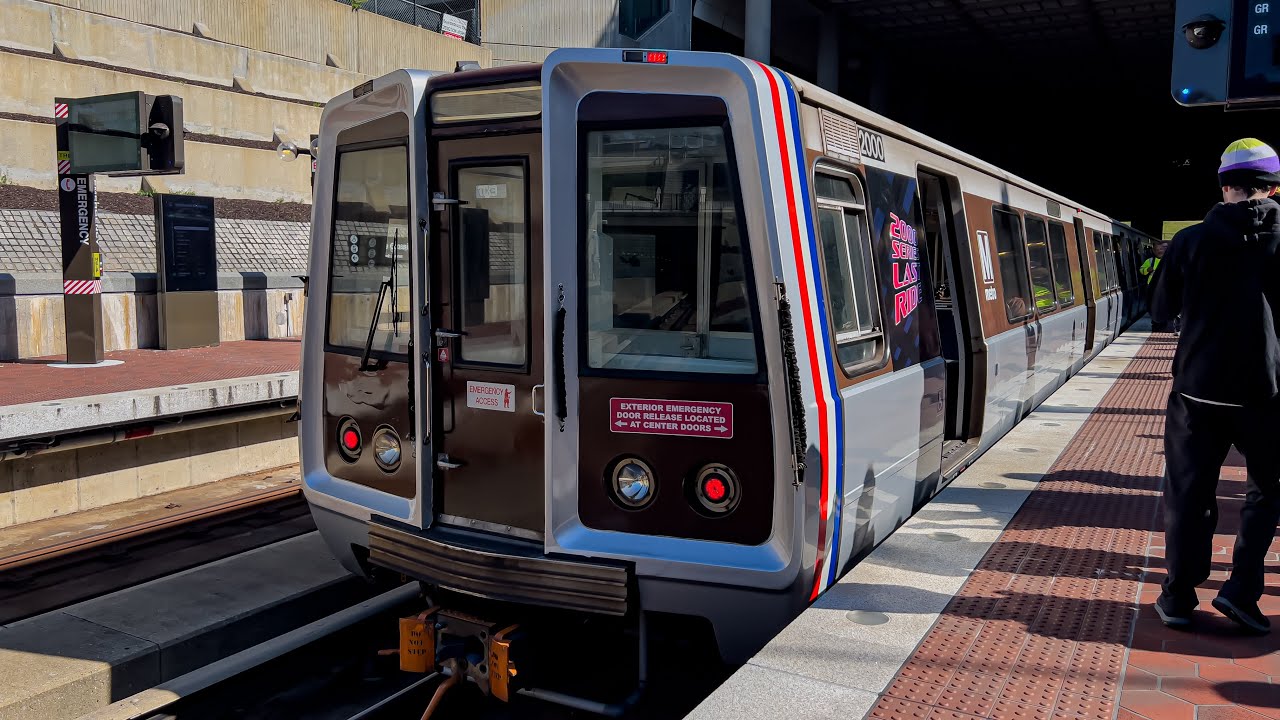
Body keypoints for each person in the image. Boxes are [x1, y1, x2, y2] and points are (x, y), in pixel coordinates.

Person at [1151, 138, 1280, 634]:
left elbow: (1161, 310)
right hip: (1268, 393)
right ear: (1274, 188)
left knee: (1189, 492)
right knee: (1267, 491)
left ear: (1224, 185)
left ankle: (1179, 597)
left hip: (1197, 391)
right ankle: (1241, 592)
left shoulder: (1190, 241)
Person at [1141, 243, 1171, 331]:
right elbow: (1141, 270)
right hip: (1152, 288)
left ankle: (1165, 323)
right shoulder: (1150, 261)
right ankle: (1156, 323)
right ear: (1153, 251)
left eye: (1161, 250)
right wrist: (1147, 270)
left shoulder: (1171, 260)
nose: (1160, 251)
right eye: (1157, 250)